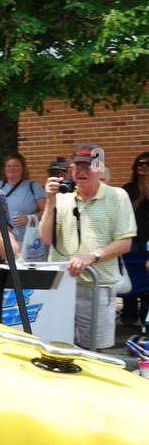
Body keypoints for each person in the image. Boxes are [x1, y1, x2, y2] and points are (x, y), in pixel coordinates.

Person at [38, 144, 136, 351]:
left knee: (93, 350)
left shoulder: (117, 196)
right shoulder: (61, 197)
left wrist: (92, 256)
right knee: (55, 345)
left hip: (97, 284)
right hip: (61, 285)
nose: (81, 172)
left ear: (100, 169)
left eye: (87, 166)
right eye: (76, 167)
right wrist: (50, 200)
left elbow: (125, 242)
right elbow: (46, 238)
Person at [120, 152, 149, 327]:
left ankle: (145, 314)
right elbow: (125, 212)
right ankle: (128, 315)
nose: (143, 168)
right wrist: (141, 194)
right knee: (130, 276)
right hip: (131, 238)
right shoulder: (128, 188)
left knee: (147, 279)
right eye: (140, 164)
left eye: (147, 164)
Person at [0, 152, 46, 234]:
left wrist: (30, 218)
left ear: (23, 168)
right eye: (8, 166)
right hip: (4, 238)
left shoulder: (33, 186)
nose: (12, 168)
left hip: (27, 239)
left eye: (16, 165)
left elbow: (46, 212)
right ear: (4, 169)